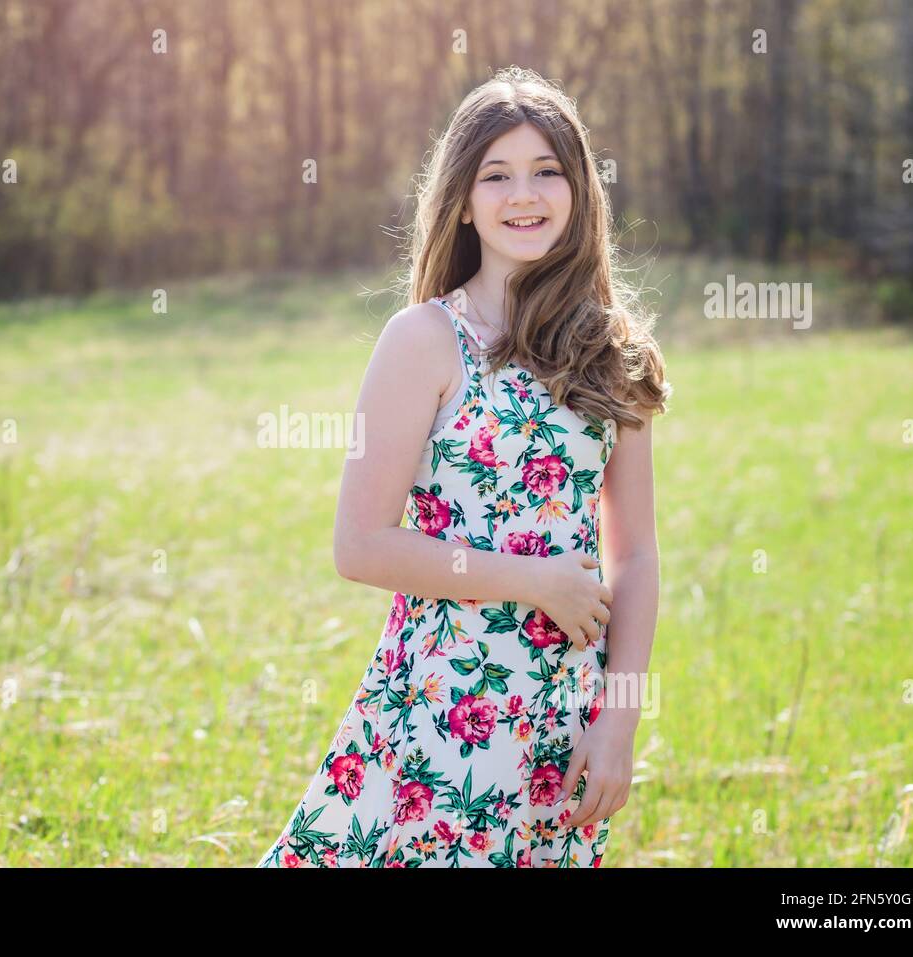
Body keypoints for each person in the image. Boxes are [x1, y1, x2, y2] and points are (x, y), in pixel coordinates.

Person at [257, 66, 670, 868]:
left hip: (563, 715)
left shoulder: (613, 352)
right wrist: (536, 579)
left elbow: (637, 555)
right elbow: (361, 544)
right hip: (441, 710)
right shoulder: (424, 340)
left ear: (581, 190)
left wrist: (620, 718)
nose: (526, 194)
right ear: (465, 199)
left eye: (548, 170)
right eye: (498, 174)